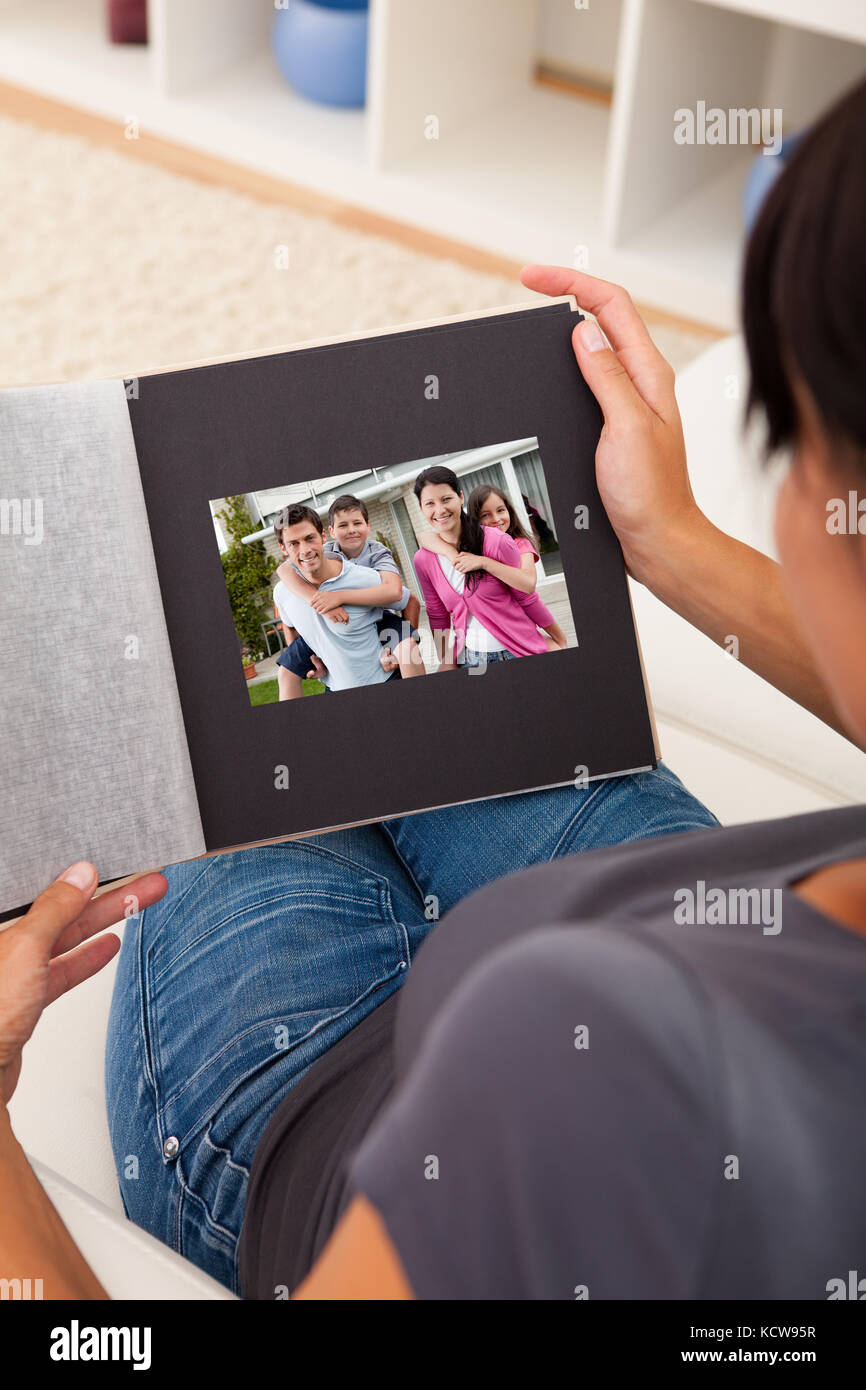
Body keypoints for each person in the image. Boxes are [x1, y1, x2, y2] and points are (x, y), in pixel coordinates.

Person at [1, 79, 865, 1301]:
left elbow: (394, 604)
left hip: (347, 1118)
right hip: (656, 921)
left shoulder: (599, 1094)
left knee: (225, 793)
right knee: (384, 732)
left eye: (786, 433)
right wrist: (663, 538)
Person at [412, 465, 560, 670]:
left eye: (446, 499)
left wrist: (559, 638)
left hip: (519, 649)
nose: (440, 510)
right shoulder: (423, 560)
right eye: (430, 503)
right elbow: (437, 613)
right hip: (472, 660)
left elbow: (526, 596)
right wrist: (446, 659)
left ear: (460, 497)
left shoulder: (496, 541)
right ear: (421, 508)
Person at [274, 494, 423, 690]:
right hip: (325, 628)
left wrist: (338, 597)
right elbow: (284, 570)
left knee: (407, 649)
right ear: (331, 532)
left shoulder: (377, 553)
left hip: (376, 613)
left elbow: (396, 592)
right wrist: (319, 604)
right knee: (285, 673)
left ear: (368, 526)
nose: (351, 530)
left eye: (357, 523)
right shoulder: (322, 552)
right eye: (343, 525)